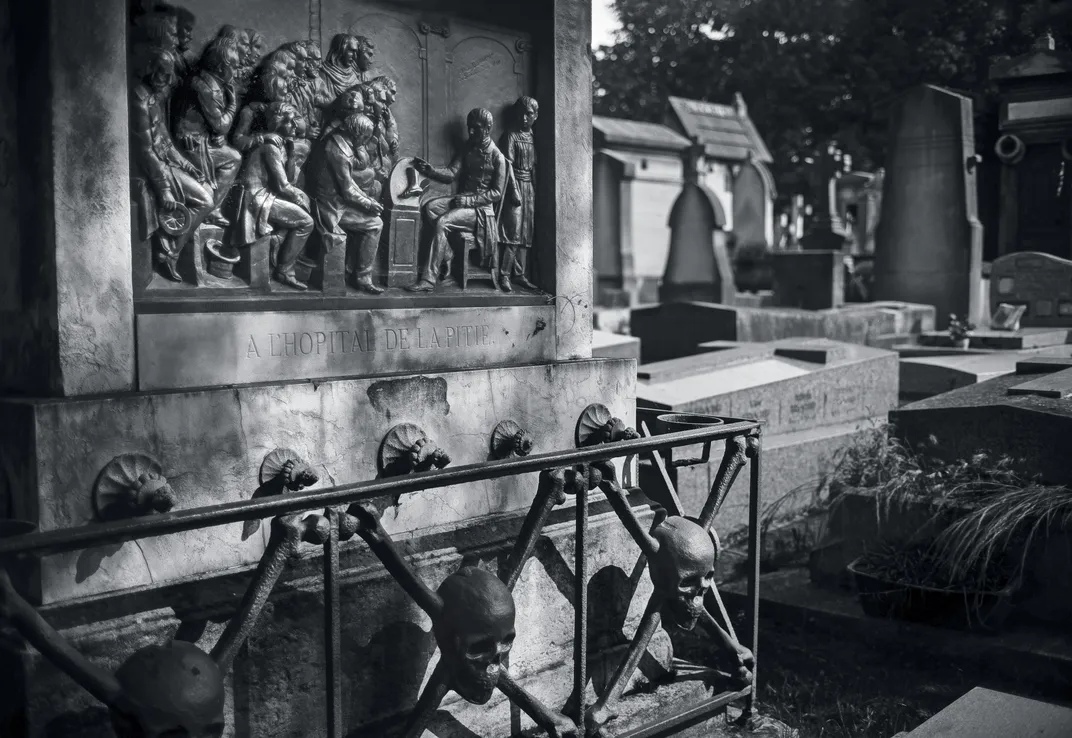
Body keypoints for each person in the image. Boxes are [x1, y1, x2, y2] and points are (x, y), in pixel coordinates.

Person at [130, 49, 214, 282]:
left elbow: (165, 141)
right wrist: (164, 188)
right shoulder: (138, 98)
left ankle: (169, 250)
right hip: (152, 169)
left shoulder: (155, 97)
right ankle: (169, 253)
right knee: (205, 201)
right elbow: (145, 150)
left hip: (165, 164)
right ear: (149, 68)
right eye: (161, 73)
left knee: (209, 189)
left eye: (168, 75)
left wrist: (187, 165)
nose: (166, 80)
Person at [408, 108, 507, 293]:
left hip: (481, 212)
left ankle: (428, 280)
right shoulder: (468, 147)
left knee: (442, 223)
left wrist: (469, 202)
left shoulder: (497, 157)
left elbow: (497, 193)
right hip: (462, 201)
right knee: (429, 207)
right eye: (469, 127)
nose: (470, 132)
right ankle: (447, 253)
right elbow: (452, 173)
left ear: (487, 129)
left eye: (475, 128)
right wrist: (430, 171)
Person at [230, 102, 314, 291]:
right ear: (278, 122)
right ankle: (285, 270)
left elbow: (290, 180)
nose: (295, 127)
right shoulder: (270, 146)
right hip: (256, 198)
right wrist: (300, 198)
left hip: (267, 195)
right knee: (306, 222)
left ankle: (279, 240)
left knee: (301, 207)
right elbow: (284, 186)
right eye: (291, 122)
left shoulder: (280, 144)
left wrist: (291, 153)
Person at [307, 113, 385, 294]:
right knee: (375, 224)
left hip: (337, 202)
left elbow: (350, 182)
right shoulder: (338, 151)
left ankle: (358, 274)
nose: (366, 141)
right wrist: (368, 204)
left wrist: (369, 200)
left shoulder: (341, 142)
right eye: (365, 137)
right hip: (330, 207)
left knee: (373, 220)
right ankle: (362, 278)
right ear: (357, 133)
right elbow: (348, 190)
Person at [171, 36, 244, 224]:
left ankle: (213, 209)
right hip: (191, 144)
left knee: (233, 157)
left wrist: (217, 135)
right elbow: (221, 126)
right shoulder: (207, 88)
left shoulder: (207, 81)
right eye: (233, 67)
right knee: (232, 160)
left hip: (203, 139)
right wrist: (232, 104)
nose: (236, 72)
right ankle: (209, 209)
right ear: (221, 67)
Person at [498, 96, 539, 291]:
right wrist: (513, 190)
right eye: (521, 114)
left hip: (528, 188)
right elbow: (507, 165)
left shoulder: (531, 137)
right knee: (513, 234)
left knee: (525, 235)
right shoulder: (510, 136)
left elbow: (534, 168)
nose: (524, 118)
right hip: (514, 187)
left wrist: (534, 189)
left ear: (535, 116)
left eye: (529, 114)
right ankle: (504, 274)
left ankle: (520, 274)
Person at [320, 33, 375, 99]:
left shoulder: (353, 75)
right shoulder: (324, 73)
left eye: (356, 52)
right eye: (351, 51)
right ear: (340, 50)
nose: (355, 56)